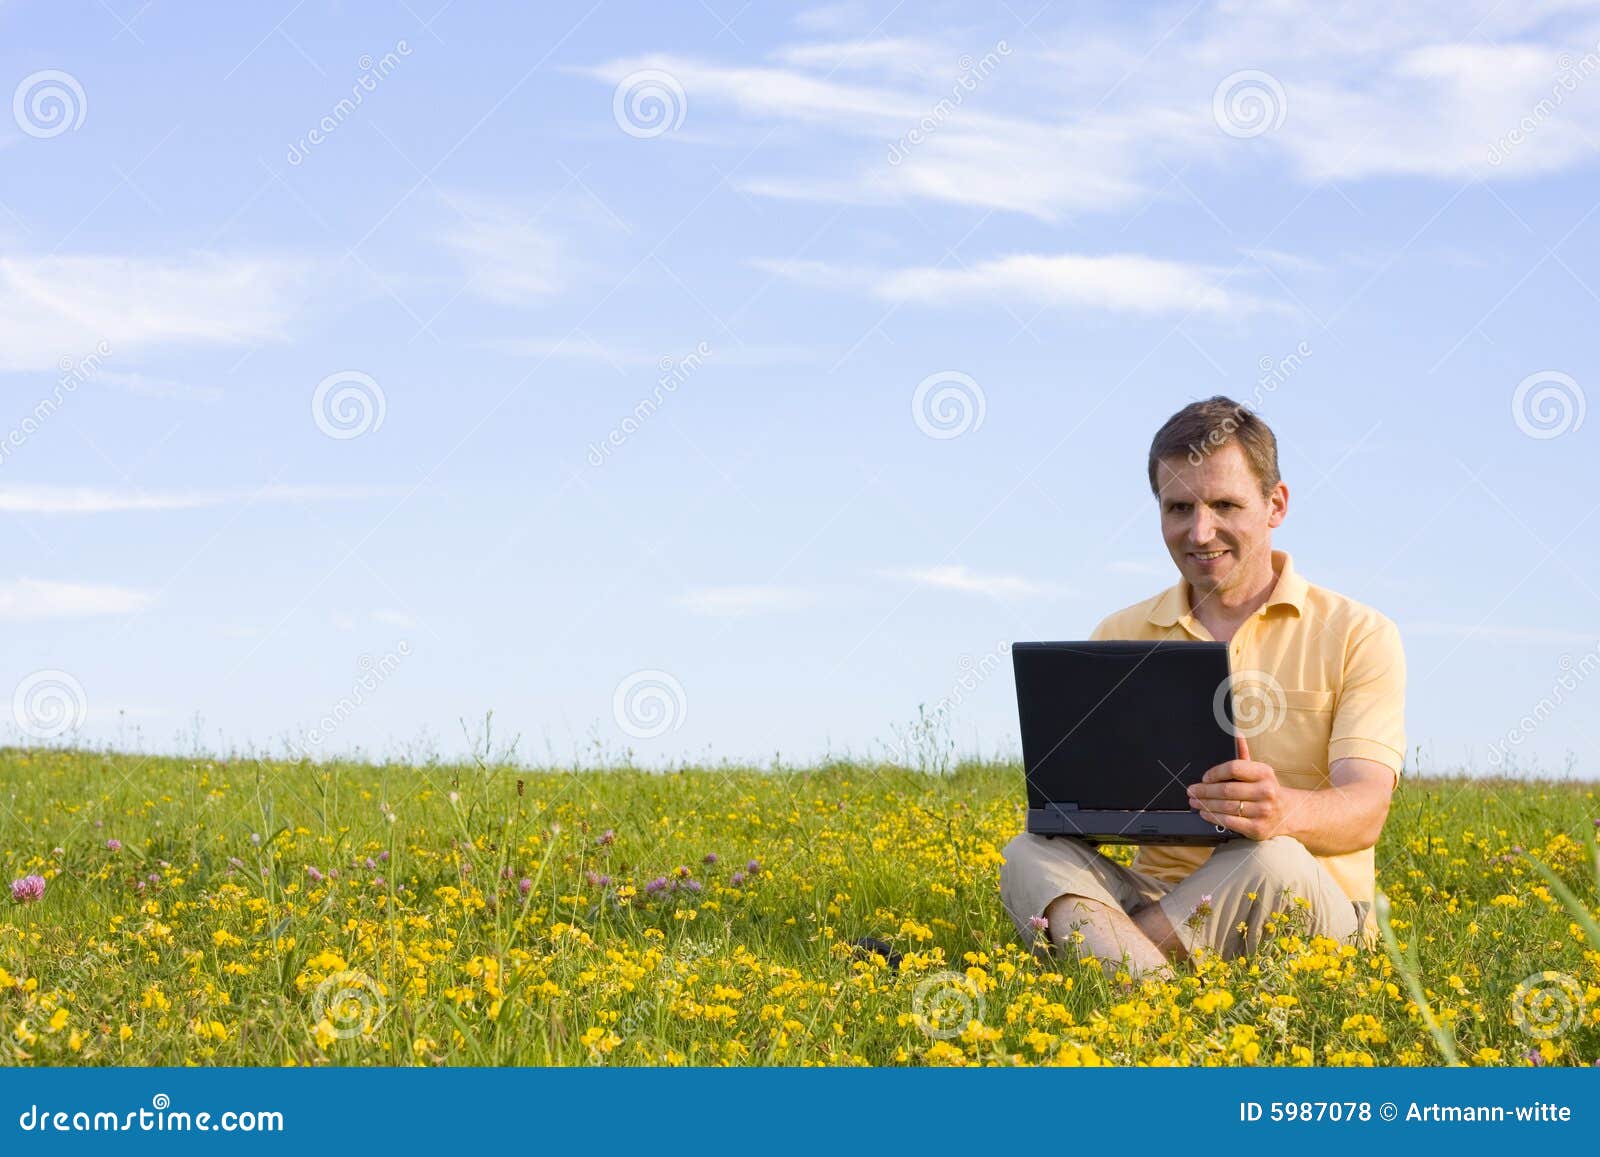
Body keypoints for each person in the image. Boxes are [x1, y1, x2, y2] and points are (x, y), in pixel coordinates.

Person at [1000, 396, 1405, 976]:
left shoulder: (1359, 634)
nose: (1200, 530)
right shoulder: (1119, 635)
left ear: (1275, 505)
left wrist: (1282, 811)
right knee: (1030, 851)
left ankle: (1115, 975)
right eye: (1179, 507)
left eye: (1224, 505)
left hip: (1301, 902)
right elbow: (1091, 812)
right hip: (1157, 894)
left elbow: (1366, 810)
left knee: (1273, 858)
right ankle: (1159, 994)